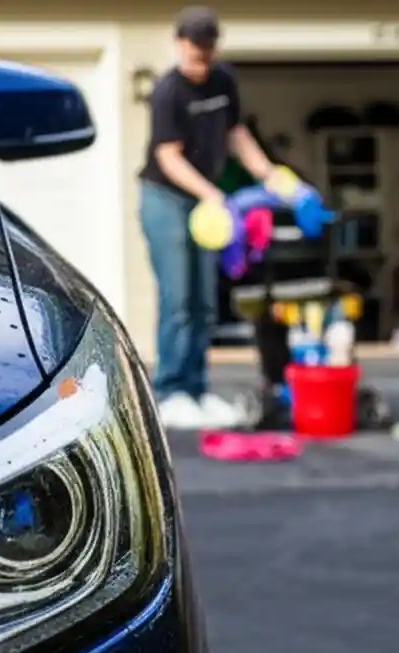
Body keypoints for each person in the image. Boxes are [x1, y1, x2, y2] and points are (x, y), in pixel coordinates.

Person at [138, 5, 290, 430]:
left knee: (205, 300)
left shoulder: (224, 80)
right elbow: (168, 158)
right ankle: (171, 391)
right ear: (179, 43)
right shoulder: (168, 91)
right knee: (178, 298)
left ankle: (198, 389)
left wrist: (272, 176)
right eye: (193, 49)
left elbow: (236, 133)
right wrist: (214, 194)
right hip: (166, 198)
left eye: (207, 49)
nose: (200, 58)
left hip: (208, 202)